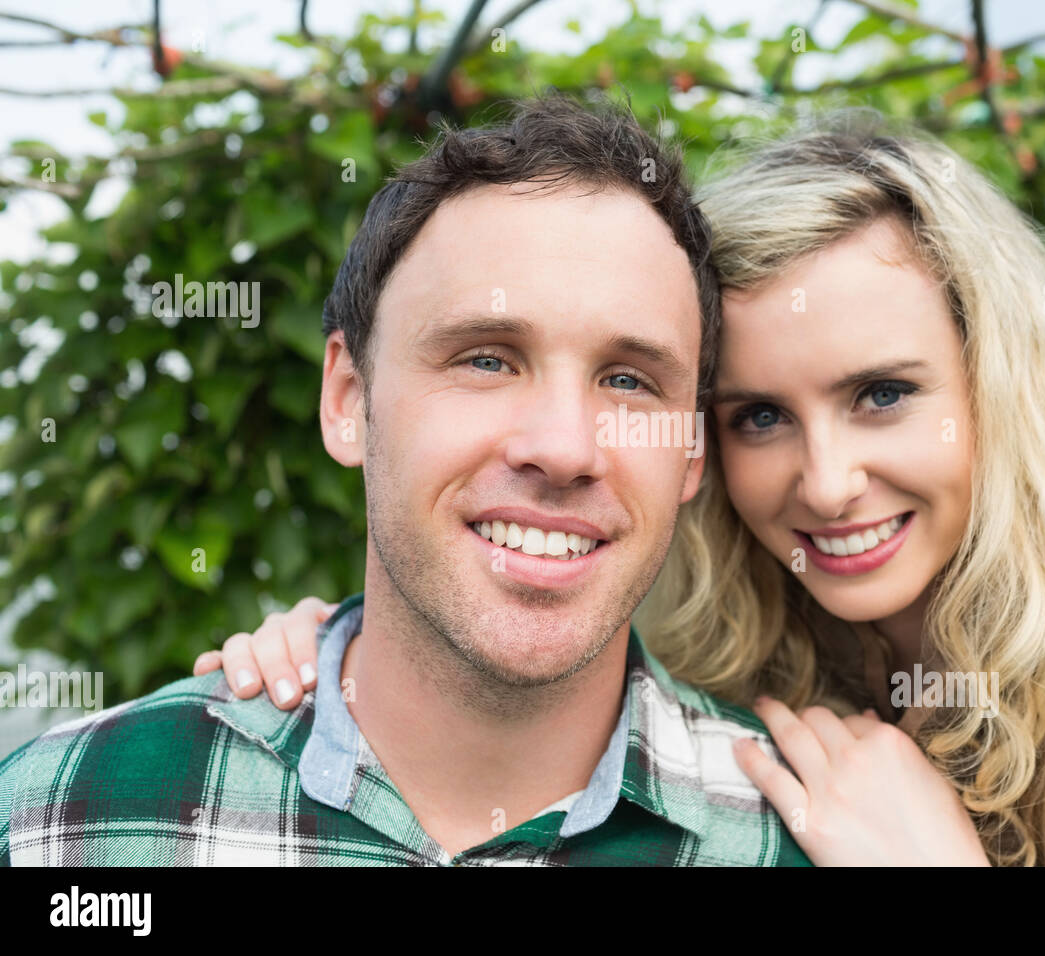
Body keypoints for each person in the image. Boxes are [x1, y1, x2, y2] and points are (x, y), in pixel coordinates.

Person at [202, 117, 1045, 866]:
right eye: (759, 416)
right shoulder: (711, 682)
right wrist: (337, 661)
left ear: (998, 388)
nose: (824, 482)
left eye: (881, 394)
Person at [0, 96, 816, 867]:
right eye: (487, 359)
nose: (564, 449)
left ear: (691, 453)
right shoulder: (63, 820)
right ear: (349, 400)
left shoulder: (814, 841)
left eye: (631, 380)